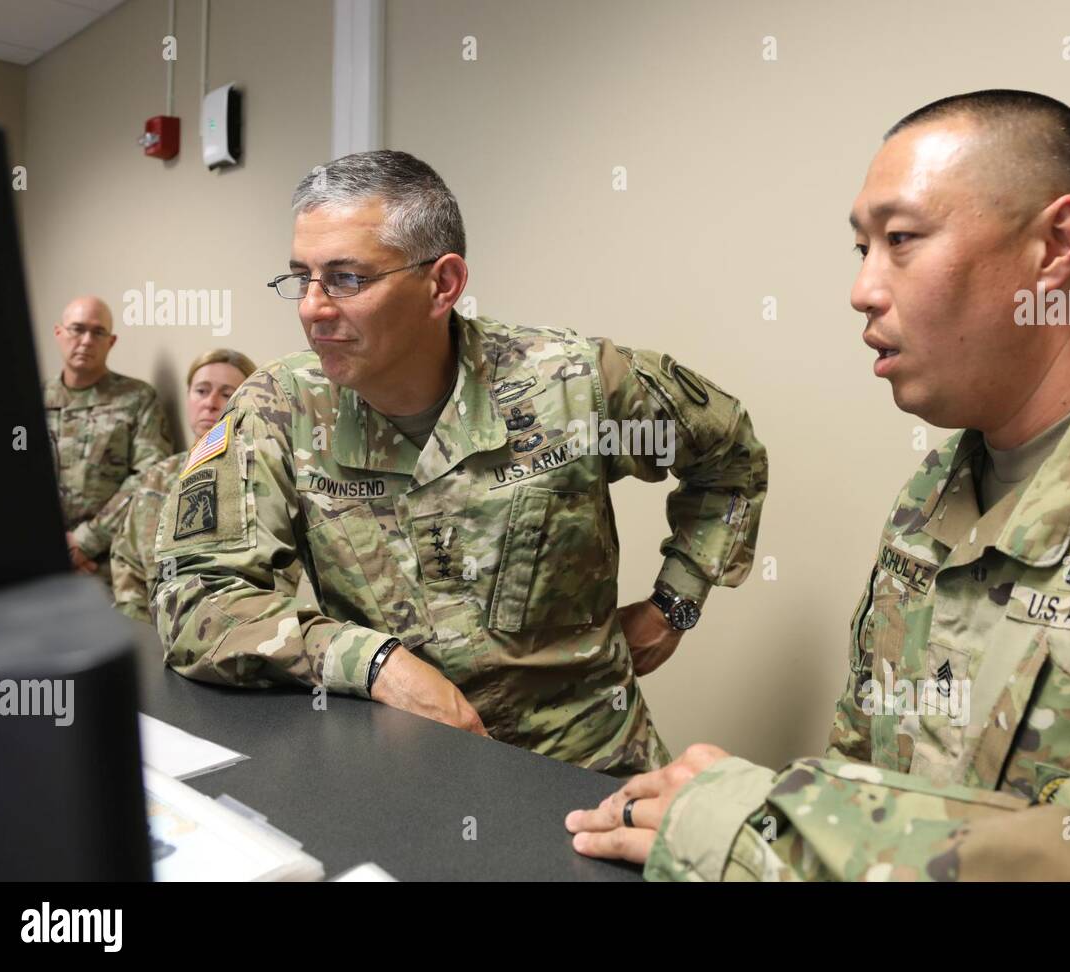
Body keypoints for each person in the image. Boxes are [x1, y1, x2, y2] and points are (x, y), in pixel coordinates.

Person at [566, 89, 1070, 878]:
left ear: (1057, 243)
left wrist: (770, 836)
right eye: (862, 248)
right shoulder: (934, 490)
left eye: (901, 240)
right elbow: (868, 761)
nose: (864, 289)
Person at [150, 150, 768, 776]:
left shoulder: (574, 383)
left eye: (345, 278)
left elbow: (730, 454)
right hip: (408, 767)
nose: (312, 307)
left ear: (442, 284)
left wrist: (677, 602)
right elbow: (193, 596)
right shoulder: (281, 407)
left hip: (587, 765)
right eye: (301, 277)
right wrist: (370, 661)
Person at [112, 348, 302, 622]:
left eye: (227, 394)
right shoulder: (157, 475)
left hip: (229, 645)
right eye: (201, 391)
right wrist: (142, 634)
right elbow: (126, 561)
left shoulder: (267, 481)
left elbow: (278, 581)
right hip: (147, 638)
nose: (211, 403)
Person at [45, 295, 173, 585]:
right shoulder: (31, 401)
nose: (87, 340)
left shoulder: (138, 399)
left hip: (111, 566)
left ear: (111, 341)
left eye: (98, 332)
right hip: (43, 564)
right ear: (58, 333)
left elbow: (150, 478)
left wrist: (84, 543)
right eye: (77, 329)